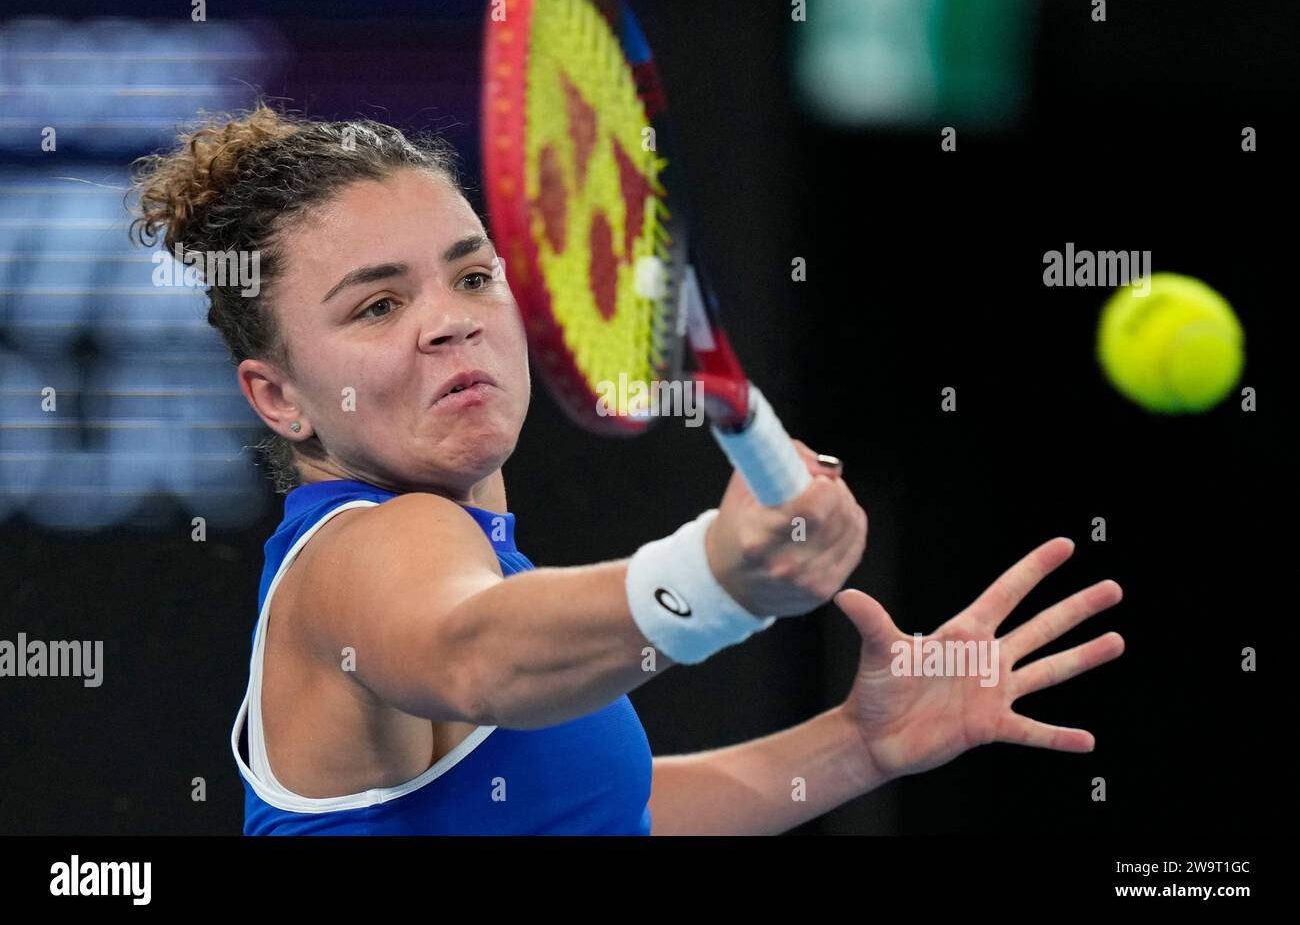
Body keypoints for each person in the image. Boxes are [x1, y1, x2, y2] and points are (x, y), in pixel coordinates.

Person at [130, 105, 1124, 835]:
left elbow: (607, 814)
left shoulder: (466, 548)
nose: (451, 318)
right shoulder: (373, 542)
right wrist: (718, 576)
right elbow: (475, 655)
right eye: (376, 305)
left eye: (473, 274)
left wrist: (858, 745)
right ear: (279, 398)